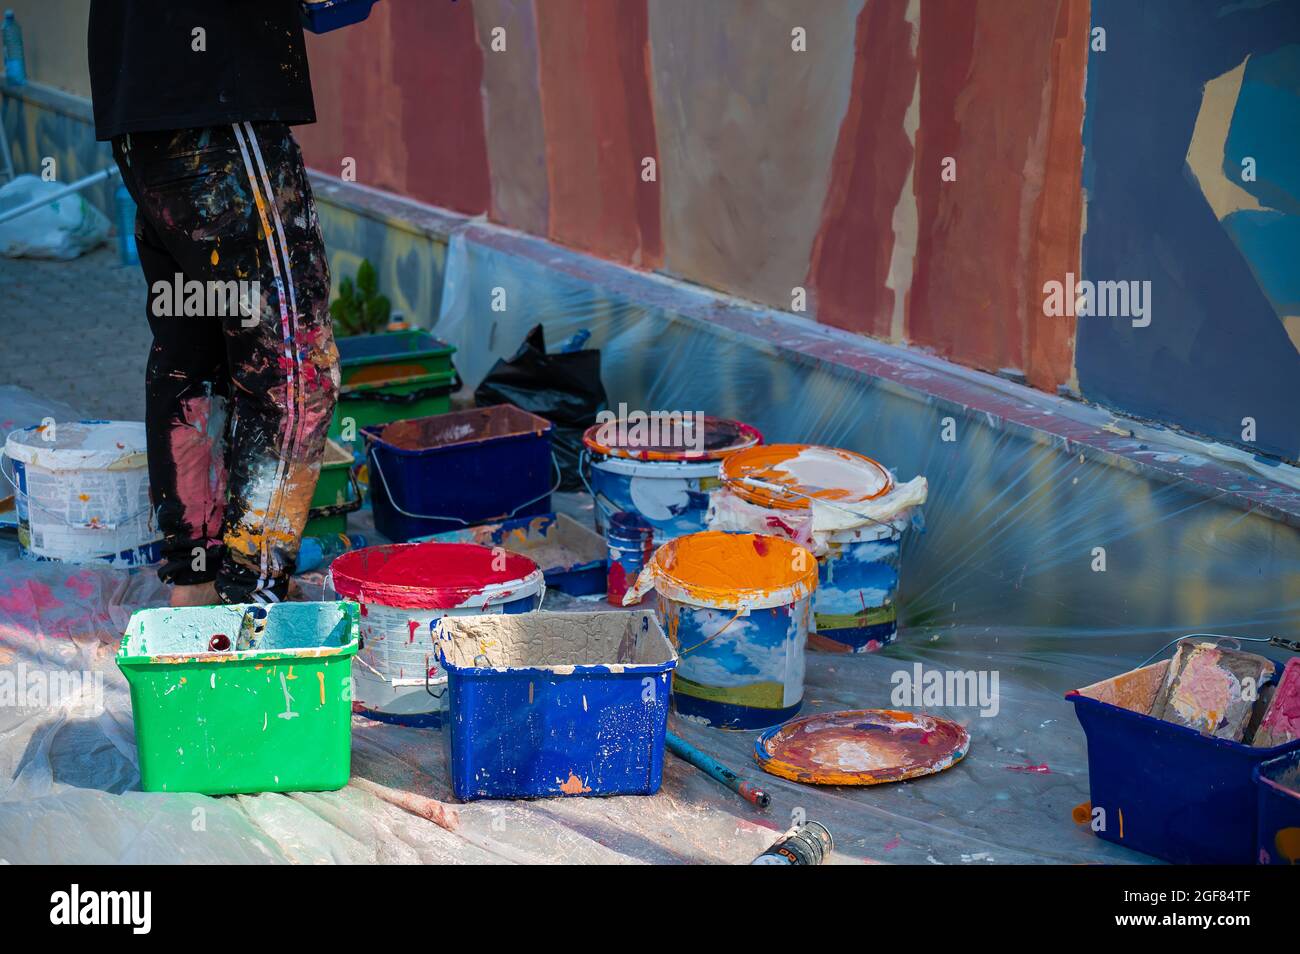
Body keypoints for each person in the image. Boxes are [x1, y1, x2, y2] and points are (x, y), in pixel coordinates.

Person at [88, 1, 340, 605]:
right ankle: (252, 605)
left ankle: (196, 593)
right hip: (219, 105)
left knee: (192, 350)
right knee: (296, 369)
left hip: (145, 100)